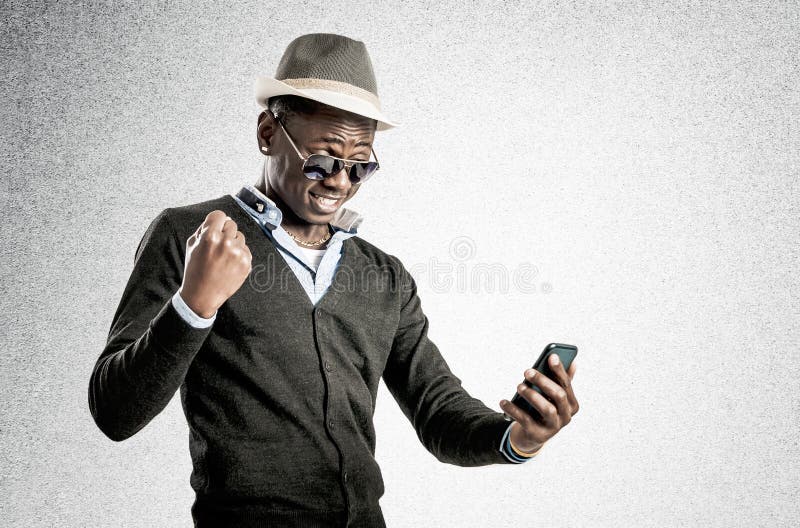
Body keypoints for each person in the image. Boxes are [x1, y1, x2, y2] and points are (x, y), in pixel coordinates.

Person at [87, 33, 579, 528]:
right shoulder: (190, 235)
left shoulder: (384, 276)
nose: (340, 182)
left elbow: (438, 409)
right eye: (322, 159)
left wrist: (517, 437)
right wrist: (193, 306)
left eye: (360, 165)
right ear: (267, 133)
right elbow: (115, 411)